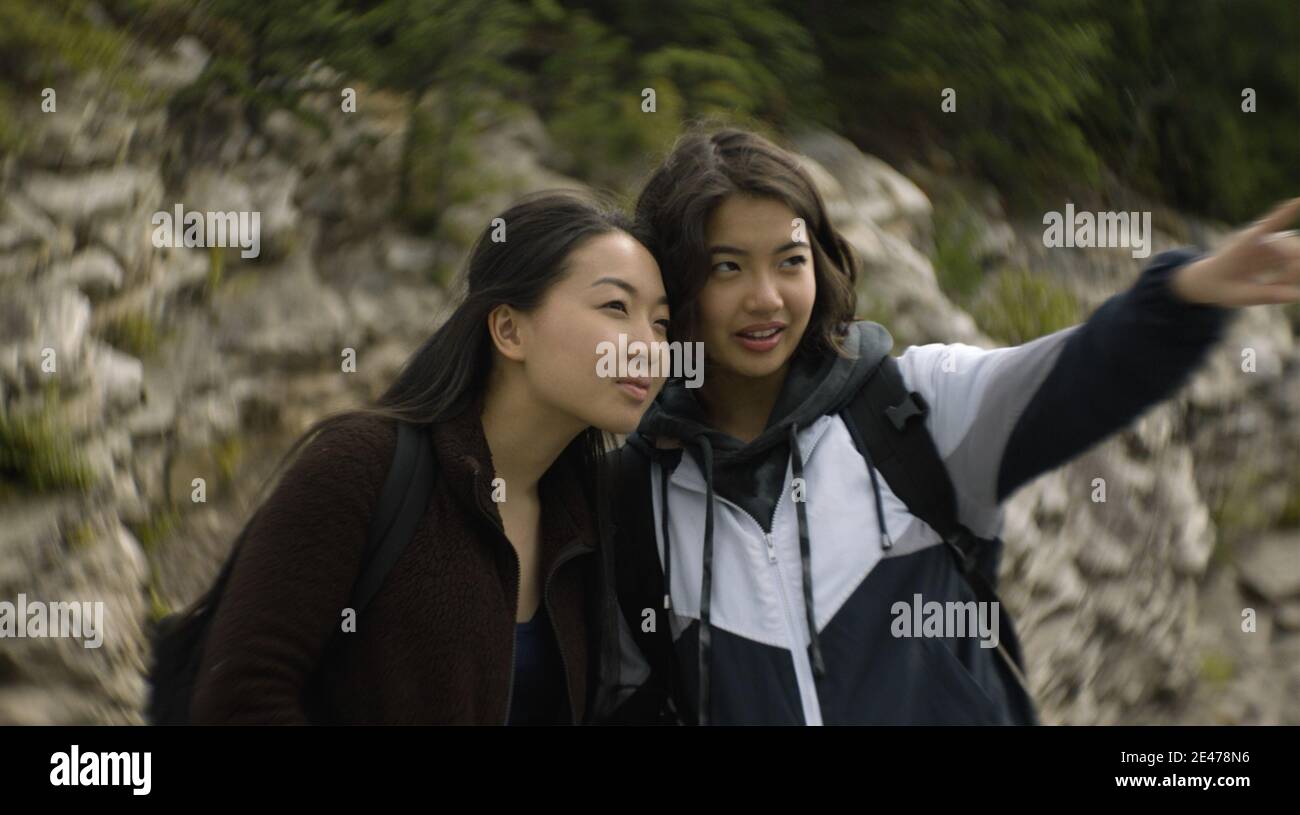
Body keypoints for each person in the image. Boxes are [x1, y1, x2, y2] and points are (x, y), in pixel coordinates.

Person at [598, 127, 1300, 725]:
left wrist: (1180, 298)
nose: (767, 297)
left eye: (790, 261)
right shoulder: (637, 494)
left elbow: (1082, 373)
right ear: (676, 284)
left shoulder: (912, 407)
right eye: (727, 267)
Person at [191, 191, 669, 724]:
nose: (647, 346)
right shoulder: (361, 467)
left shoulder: (590, 512)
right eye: (616, 308)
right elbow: (240, 697)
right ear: (509, 329)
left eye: (662, 324)